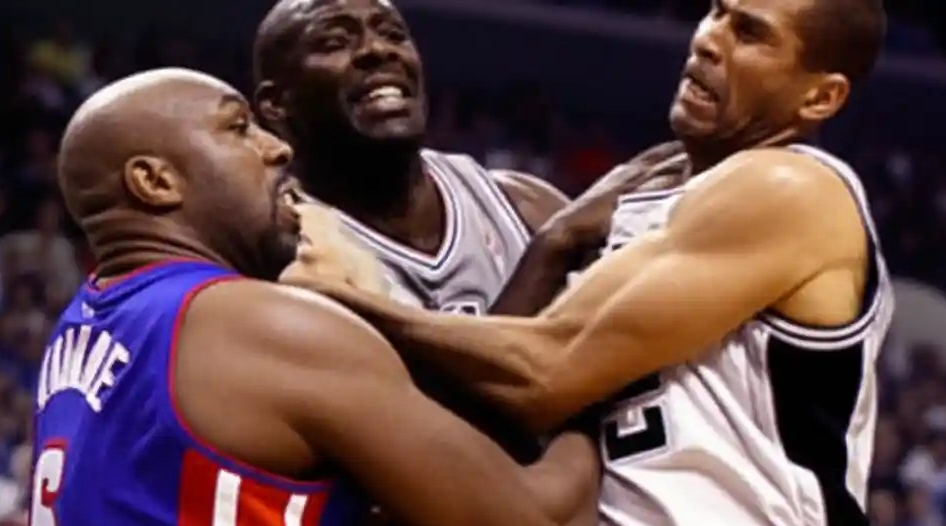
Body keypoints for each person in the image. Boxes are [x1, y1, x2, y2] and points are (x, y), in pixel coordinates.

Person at [283, 0, 930, 526]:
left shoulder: (793, 186)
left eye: (749, 33)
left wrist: (342, 301)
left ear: (820, 95)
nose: (710, 40)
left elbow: (540, 374)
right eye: (716, 12)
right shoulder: (652, 213)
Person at [9, 68, 602, 526]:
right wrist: (596, 377)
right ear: (156, 182)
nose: (277, 147)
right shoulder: (258, 324)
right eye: (238, 128)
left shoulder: (80, 332)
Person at [252, 0, 682, 322]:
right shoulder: (287, 253)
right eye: (335, 42)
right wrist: (550, 252)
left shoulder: (518, 202)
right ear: (276, 105)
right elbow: (412, 424)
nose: (378, 50)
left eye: (394, 34)